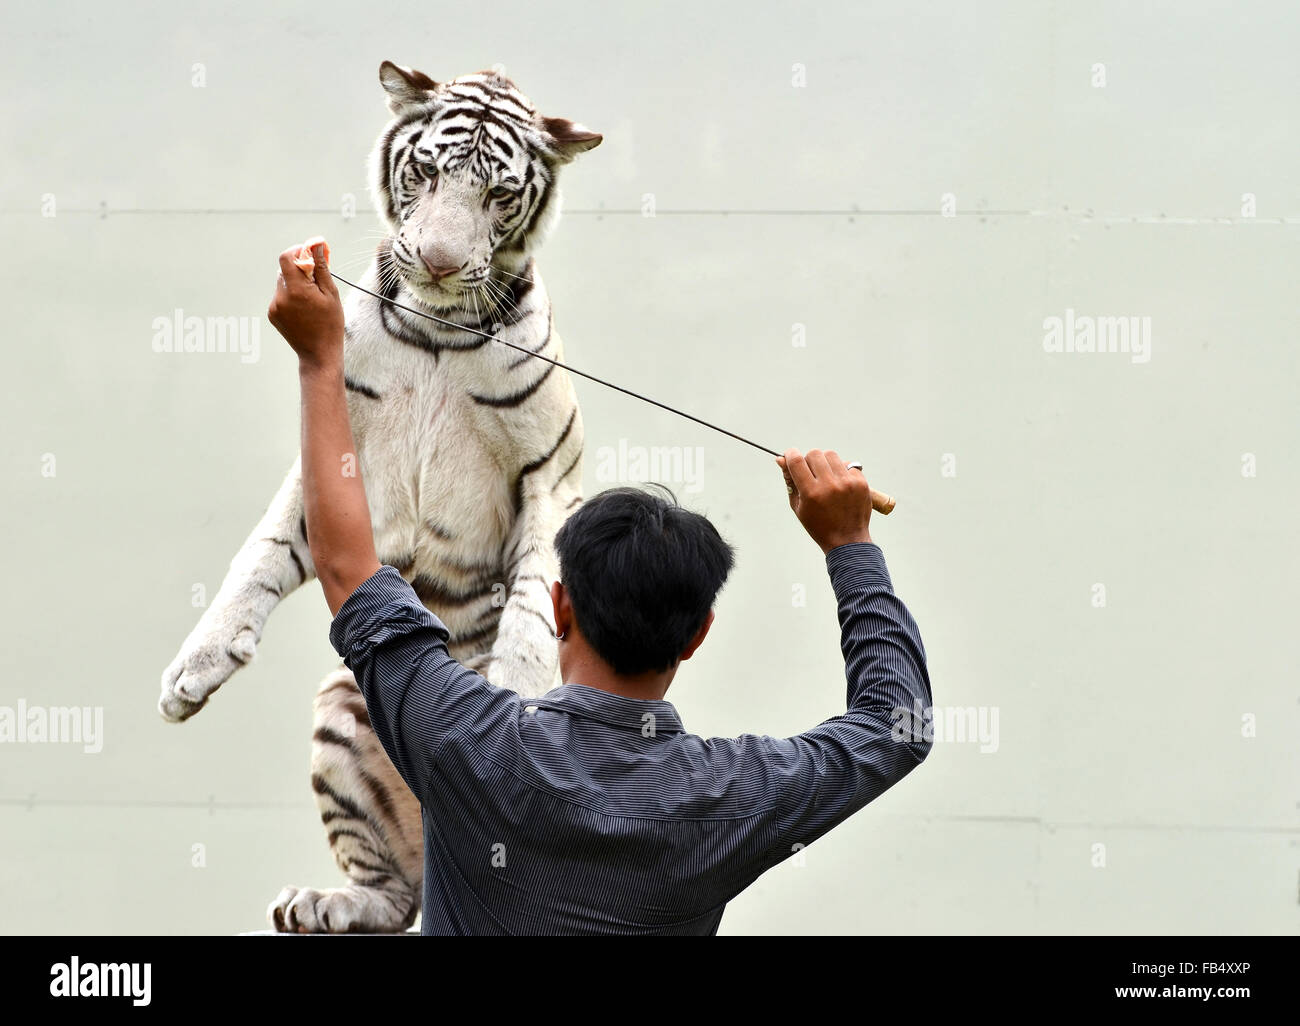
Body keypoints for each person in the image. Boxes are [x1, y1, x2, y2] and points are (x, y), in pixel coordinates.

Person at [268, 240, 934, 935]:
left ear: (559, 608)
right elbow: (896, 727)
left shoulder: (466, 740)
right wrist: (849, 544)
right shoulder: (731, 797)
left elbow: (347, 567)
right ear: (699, 634)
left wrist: (320, 362)